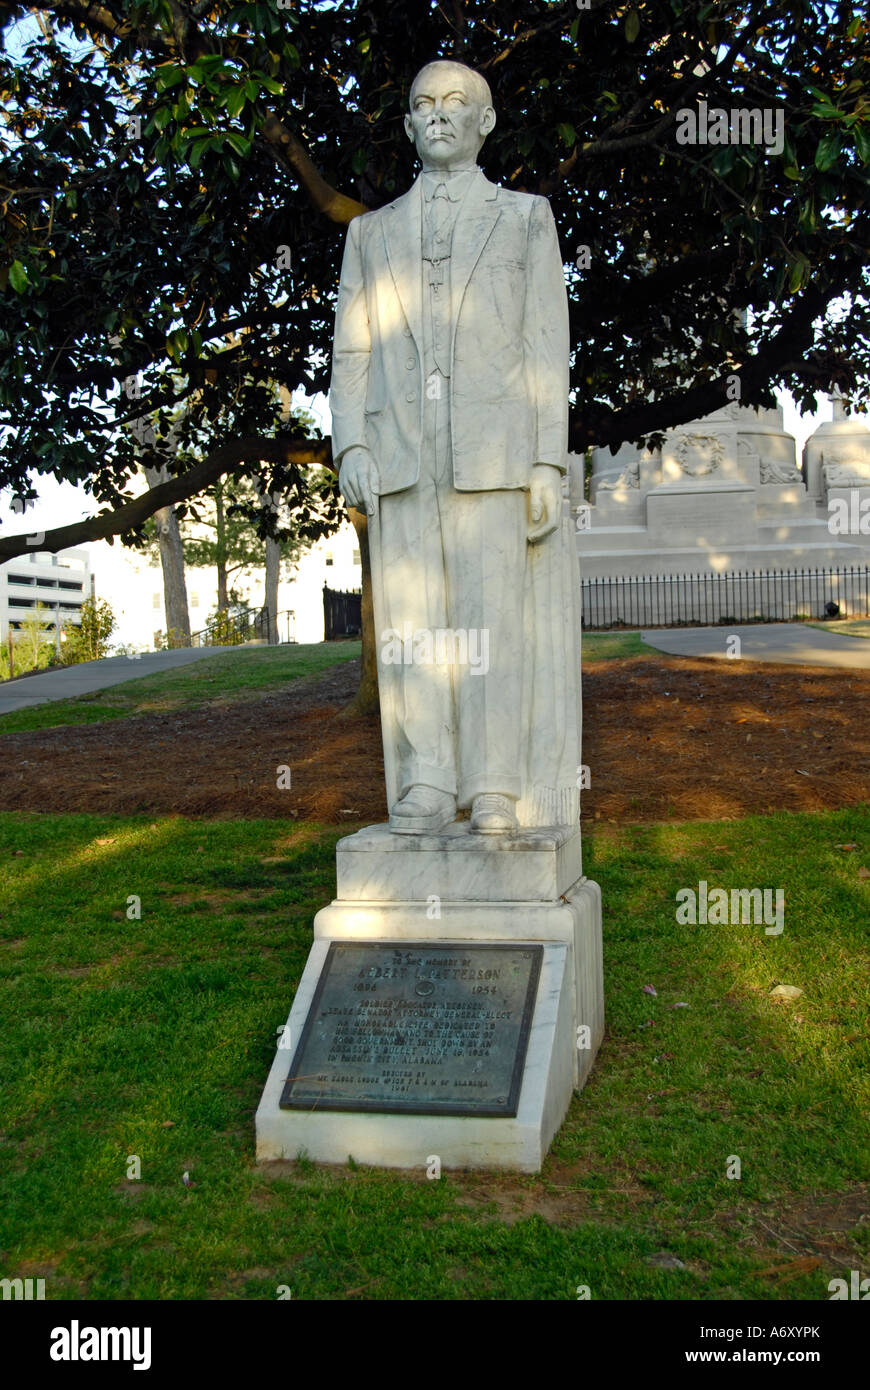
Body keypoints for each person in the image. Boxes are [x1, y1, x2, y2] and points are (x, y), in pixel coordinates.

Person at [330, 59, 580, 836]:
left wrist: (546, 458)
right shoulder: (369, 235)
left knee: (491, 625)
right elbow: (352, 353)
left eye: (456, 103)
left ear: (486, 121)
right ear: (407, 124)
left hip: (493, 458)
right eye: (424, 104)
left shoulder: (526, 220)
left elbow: (546, 345)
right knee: (415, 626)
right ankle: (430, 780)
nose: (439, 115)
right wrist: (350, 447)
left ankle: (497, 786)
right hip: (403, 461)